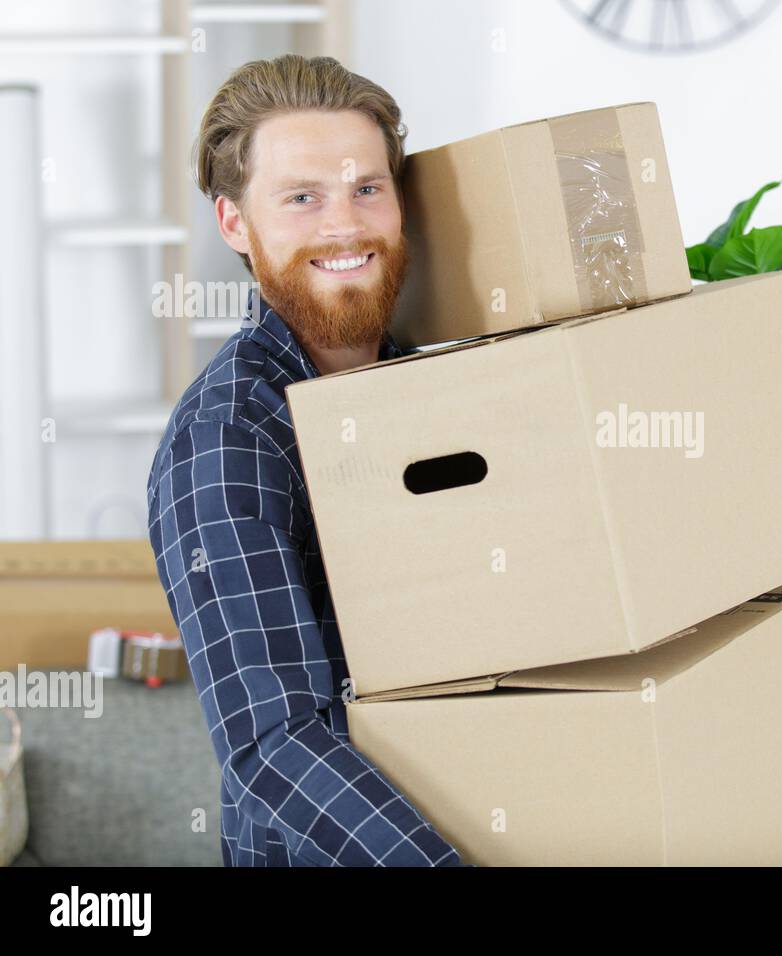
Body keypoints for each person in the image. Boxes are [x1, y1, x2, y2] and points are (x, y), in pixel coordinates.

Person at [145, 54, 466, 866]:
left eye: (367, 189)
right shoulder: (228, 435)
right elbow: (275, 743)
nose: (344, 226)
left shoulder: (441, 388)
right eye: (301, 198)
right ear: (233, 224)